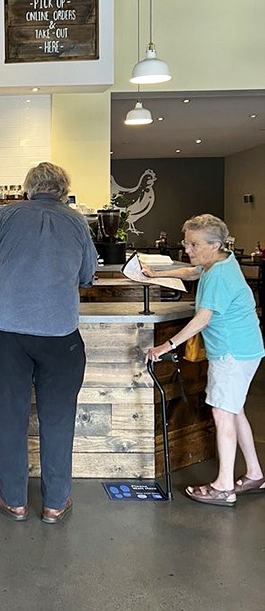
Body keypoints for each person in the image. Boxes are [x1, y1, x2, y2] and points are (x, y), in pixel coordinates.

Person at [0, 162, 99, 523]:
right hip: (61, 334)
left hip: (11, 331)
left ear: (28, 187)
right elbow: (88, 275)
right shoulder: (77, 221)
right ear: (63, 189)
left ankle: (13, 500)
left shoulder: (8, 214)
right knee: (58, 419)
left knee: (10, 415)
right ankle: (55, 503)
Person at [144, 214, 265, 506]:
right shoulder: (219, 262)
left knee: (223, 414)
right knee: (235, 411)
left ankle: (224, 487)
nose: (188, 249)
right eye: (186, 242)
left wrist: (166, 345)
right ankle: (254, 474)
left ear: (216, 244)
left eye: (194, 244)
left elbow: (202, 319)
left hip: (231, 354)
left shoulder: (219, 275)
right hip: (245, 350)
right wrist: (157, 274)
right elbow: (191, 272)